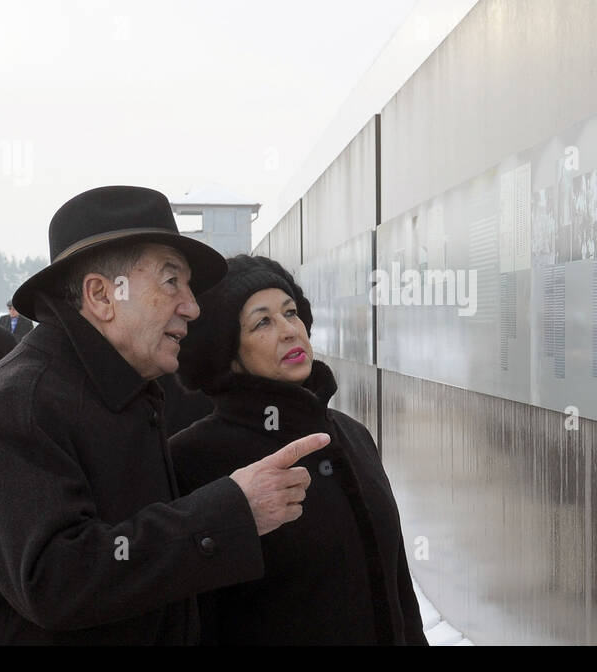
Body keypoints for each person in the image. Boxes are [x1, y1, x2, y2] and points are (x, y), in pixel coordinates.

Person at [0, 186, 323, 644]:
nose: (192, 306)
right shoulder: (19, 404)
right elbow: (55, 581)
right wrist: (231, 512)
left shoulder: (126, 388)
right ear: (101, 296)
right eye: (172, 282)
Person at [170, 255, 426, 645]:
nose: (290, 331)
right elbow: (196, 617)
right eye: (263, 322)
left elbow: (399, 589)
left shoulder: (352, 435)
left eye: (291, 313)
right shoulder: (193, 458)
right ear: (228, 353)